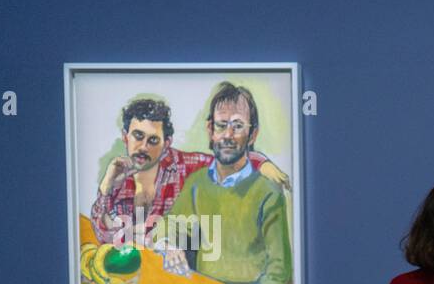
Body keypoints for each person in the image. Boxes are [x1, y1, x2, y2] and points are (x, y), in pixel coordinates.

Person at [154, 83, 293, 284]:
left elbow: (280, 269)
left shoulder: (268, 193)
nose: (228, 135)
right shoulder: (196, 184)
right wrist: (170, 245)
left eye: (238, 126)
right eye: (221, 126)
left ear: (252, 134)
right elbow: (166, 227)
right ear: (210, 130)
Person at [91, 96, 289, 246]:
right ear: (126, 138)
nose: (143, 147)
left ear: (166, 143)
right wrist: (105, 186)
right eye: (137, 136)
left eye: (153, 140)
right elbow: (104, 237)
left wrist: (261, 163)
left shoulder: (184, 166)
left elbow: (228, 159)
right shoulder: (117, 178)